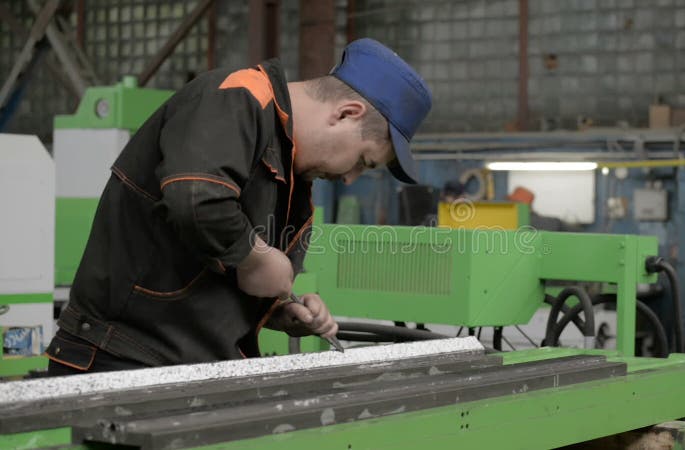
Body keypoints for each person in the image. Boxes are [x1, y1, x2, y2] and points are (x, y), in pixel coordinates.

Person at [46, 38, 432, 375]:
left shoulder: (291, 172)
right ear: (347, 113)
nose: (351, 178)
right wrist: (256, 258)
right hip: (120, 359)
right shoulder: (237, 97)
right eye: (364, 162)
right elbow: (196, 197)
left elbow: (213, 263)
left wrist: (280, 310)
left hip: (186, 364)